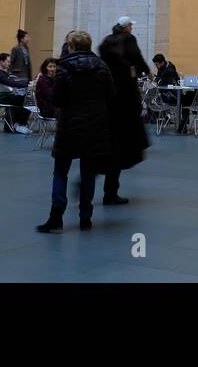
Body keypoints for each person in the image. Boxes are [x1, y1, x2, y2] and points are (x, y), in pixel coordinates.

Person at [37, 31, 116, 233]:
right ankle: (85, 217)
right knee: (88, 173)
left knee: (61, 171)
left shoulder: (64, 68)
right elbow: (111, 96)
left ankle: (56, 217)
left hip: (69, 126)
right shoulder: (102, 67)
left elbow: (56, 99)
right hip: (94, 127)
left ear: (71, 46)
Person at [96, 19, 150, 204]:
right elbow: (138, 58)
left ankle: (96, 184)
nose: (132, 28)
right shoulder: (128, 41)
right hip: (125, 112)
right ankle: (110, 192)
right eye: (131, 25)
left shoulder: (106, 42)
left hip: (107, 110)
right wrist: (146, 70)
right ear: (126, 27)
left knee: (106, 151)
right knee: (119, 152)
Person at [0, 53, 31, 134]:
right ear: (1, 62)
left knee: (23, 99)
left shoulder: (1, 72)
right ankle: (20, 124)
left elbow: (12, 81)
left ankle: (16, 124)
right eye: (8, 61)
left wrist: (26, 81)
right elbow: (11, 83)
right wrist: (28, 83)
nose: (9, 64)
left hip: (6, 96)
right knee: (27, 100)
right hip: (1, 98)